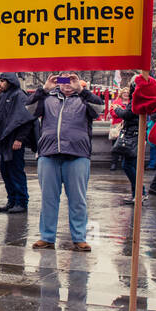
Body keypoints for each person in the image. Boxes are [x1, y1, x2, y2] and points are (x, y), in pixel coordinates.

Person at [26, 72, 104, 251]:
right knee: (48, 199)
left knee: (78, 199)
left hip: (77, 155)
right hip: (48, 154)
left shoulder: (84, 99)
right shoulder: (48, 98)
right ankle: (47, 236)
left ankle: (79, 237)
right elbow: (29, 109)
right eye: (63, 79)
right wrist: (44, 89)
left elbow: (99, 110)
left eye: (72, 79)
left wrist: (82, 91)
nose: (67, 83)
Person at [0, 72, 36, 214]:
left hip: (14, 141)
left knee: (16, 171)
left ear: (10, 82)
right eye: (0, 80)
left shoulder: (19, 95)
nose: (0, 83)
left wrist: (19, 139)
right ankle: (12, 201)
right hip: (5, 141)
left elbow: (26, 119)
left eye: (3, 81)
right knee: (6, 172)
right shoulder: (3, 95)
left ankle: (21, 202)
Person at [114, 77, 146, 203]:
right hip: (137, 134)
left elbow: (127, 114)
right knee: (132, 165)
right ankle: (137, 194)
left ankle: (140, 192)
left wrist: (117, 109)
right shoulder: (141, 98)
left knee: (128, 165)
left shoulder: (136, 100)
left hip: (132, 135)